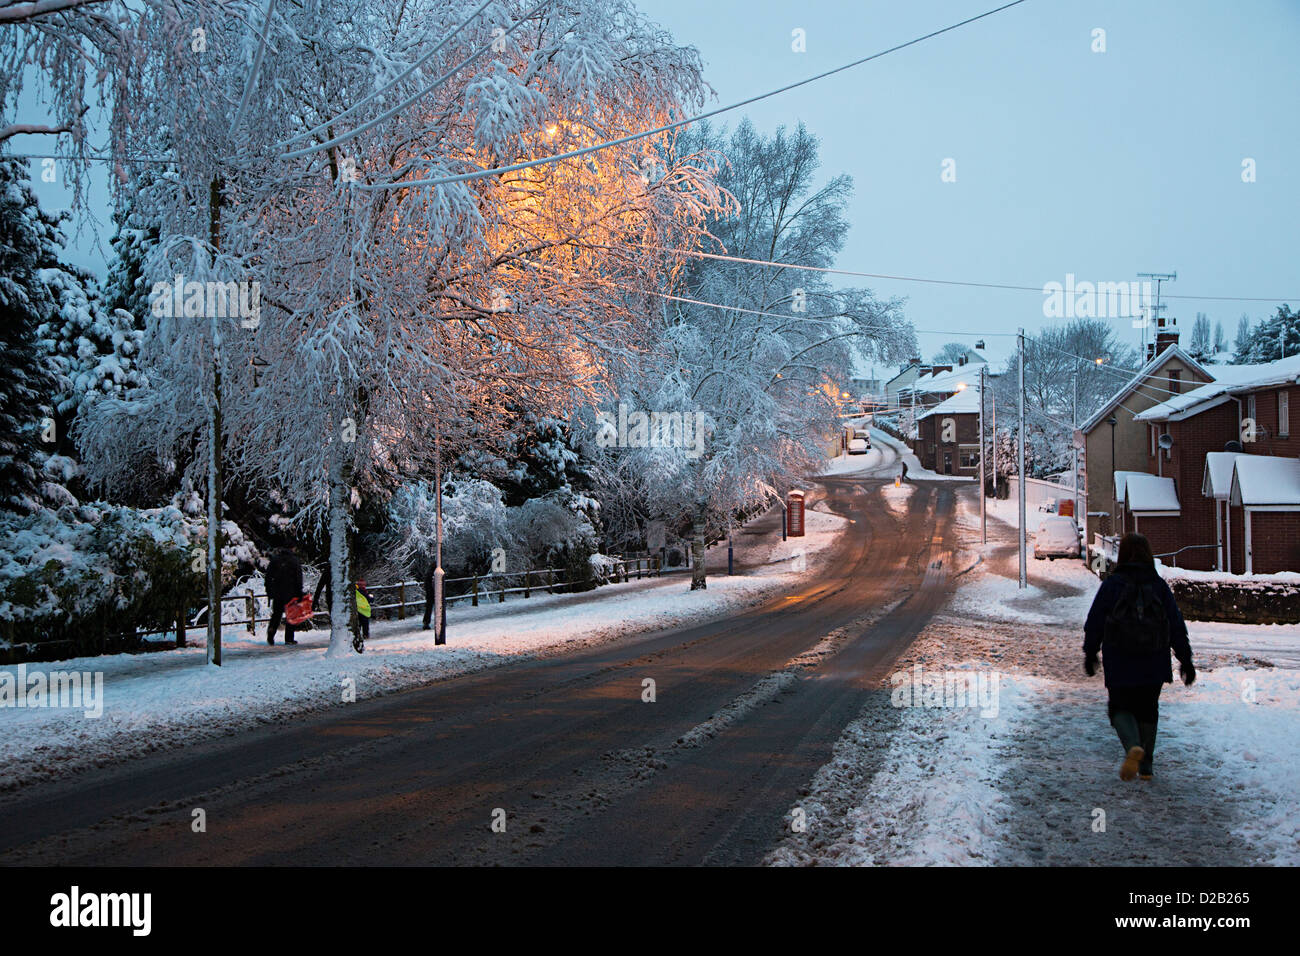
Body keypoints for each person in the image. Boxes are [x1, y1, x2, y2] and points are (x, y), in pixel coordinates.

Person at [1083, 533, 1195, 781]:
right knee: (1148, 709)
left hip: (1119, 660)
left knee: (1120, 707)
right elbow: (1176, 625)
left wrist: (1091, 652)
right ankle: (1146, 766)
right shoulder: (1159, 586)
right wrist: (1185, 660)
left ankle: (1133, 746)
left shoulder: (1113, 585)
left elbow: (1095, 621)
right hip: (1153, 660)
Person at [264, 547, 304, 646]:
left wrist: (269, 592)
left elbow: (268, 577)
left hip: (277, 593)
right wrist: (299, 594)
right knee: (291, 615)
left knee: (276, 614)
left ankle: (271, 630)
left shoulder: (274, 560)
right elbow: (298, 579)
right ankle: (289, 639)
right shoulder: (295, 561)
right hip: (291, 593)